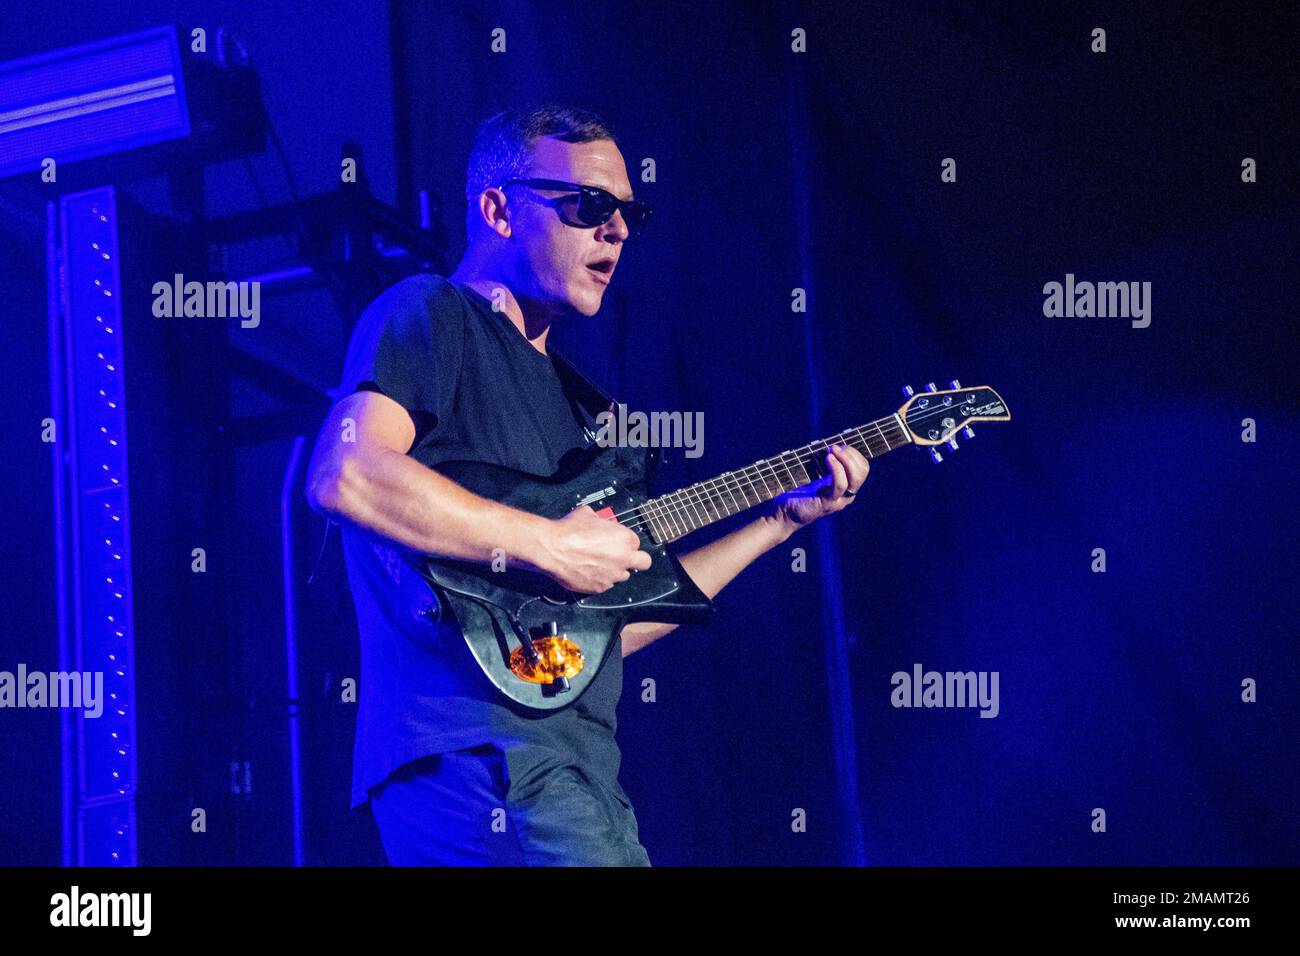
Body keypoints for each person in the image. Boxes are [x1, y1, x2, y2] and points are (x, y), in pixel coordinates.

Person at [305, 105, 869, 866]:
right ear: (498, 208)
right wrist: (550, 545)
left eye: (628, 212)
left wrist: (782, 520)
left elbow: (601, 631)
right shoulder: (430, 313)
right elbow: (348, 474)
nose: (618, 230)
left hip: (579, 773)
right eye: (588, 206)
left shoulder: (586, 413)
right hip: (480, 755)